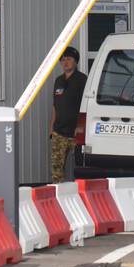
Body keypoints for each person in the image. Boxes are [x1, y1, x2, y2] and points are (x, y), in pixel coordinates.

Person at [50, 46, 87, 184]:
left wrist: (80, 127)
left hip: (76, 133)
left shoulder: (82, 80)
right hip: (59, 132)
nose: (65, 62)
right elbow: (55, 105)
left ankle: (79, 195)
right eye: (63, 60)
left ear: (75, 62)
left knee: (79, 166)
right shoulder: (58, 81)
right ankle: (58, 194)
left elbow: (86, 106)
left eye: (69, 59)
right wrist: (51, 128)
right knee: (56, 168)